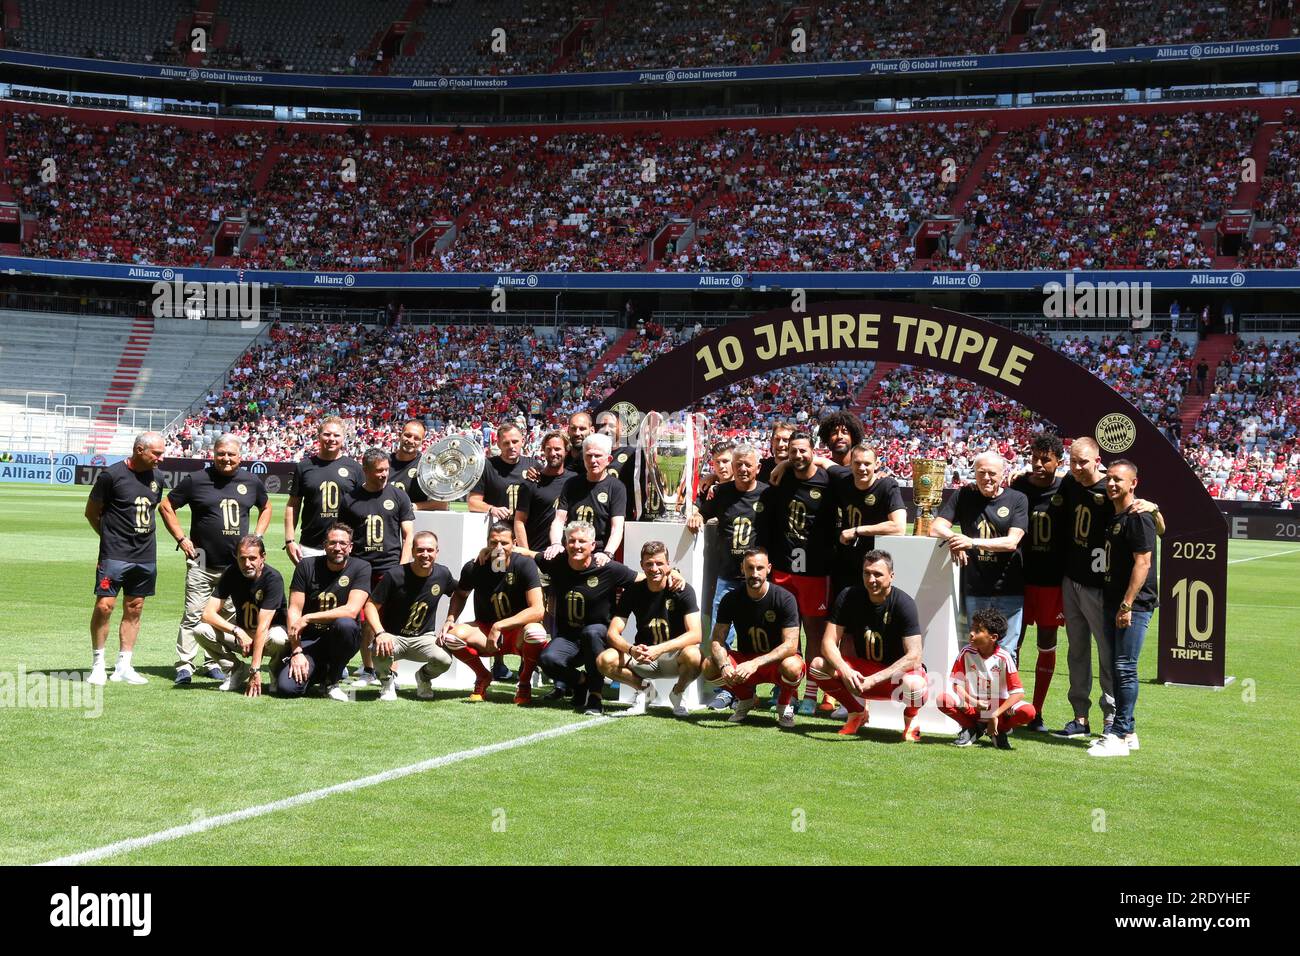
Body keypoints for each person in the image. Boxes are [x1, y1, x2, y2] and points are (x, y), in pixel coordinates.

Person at [159, 434, 270, 685]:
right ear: (213, 454)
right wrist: (181, 539)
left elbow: (266, 507)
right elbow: (166, 506)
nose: (226, 459)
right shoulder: (197, 479)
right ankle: (185, 665)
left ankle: (214, 662)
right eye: (221, 454)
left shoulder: (251, 481)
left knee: (229, 616)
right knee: (193, 613)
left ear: (240, 456)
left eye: (231, 454)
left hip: (236, 565)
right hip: (201, 559)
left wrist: (258, 536)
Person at [808, 549, 929, 742]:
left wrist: (874, 679)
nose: (871, 579)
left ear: (892, 576)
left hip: (893, 678)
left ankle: (911, 720)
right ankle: (856, 713)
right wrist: (845, 671)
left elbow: (914, 656)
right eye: (867, 573)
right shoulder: (848, 596)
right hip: (861, 674)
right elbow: (828, 643)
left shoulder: (904, 603)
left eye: (878, 574)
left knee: (915, 684)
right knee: (817, 666)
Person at [759, 430, 837, 715]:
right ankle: (788, 692)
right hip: (783, 569)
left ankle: (811, 696)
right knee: (788, 635)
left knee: (815, 634)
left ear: (813, 451)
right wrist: (783, 464)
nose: (798, 455)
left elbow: (845, 469)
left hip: (816, 571)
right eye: (793, 451)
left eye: (803, 450)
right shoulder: (782, 478)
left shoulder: (829, 480)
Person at [687, 442, 766, 711]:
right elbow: (702, 510)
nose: (743, 469)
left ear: (758, 467)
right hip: (728, 576)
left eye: (748, 464)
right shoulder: (720, 492)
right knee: (720, 636)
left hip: (759, 579)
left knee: (757, 637)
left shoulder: (768, 494)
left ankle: (762, 693)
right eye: (738, 464)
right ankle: (728, 689)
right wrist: (696, 514)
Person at [84, 431, 167, 686]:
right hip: (115, 554)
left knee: (135, 607)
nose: (161, 458)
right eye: (156, 453)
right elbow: (91, 512)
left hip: (145, 554)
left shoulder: (158, 478)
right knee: (104, 606)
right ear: (139, 450)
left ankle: (124, 665)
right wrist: (109, 538)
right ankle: (98, 664)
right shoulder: (111, 475)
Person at [1088, 460, 1158, 757]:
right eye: (1110, 478)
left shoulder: (1138, 516)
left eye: (1119, 479)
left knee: (1125, 669)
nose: (1112, 483)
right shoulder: (1117, 514)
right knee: (1117, 669)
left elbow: (1144, 563)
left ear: (1134, 483)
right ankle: (1128, 732)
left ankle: (1117, 735)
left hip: (1133, 605)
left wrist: (1127, 604)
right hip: (1113, 600)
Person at [930, 450, 1029, 657]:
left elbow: (1011, 542)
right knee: (975, 648)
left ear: (1003, 474)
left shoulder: (1017, 499)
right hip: (975, 587)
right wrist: (954, 538)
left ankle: (1004, 690)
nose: (986, 478)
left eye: (992, 473)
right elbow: (935, 527)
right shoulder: (964, 495)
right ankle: (974, 690)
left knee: (1007, 651)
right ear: (974, 473)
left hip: (1008, 587)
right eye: (981, 472)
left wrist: (971, 542)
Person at [535, 520, 640, 715]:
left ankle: (595, 695)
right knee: (547, 659)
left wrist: (673, 574)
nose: (576, 546)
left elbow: (643, 579)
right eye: (571, 541)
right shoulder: (556, 562)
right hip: (569, 638)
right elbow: (526, 555)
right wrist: (489, 551)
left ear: (593, 546)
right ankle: (581, 683)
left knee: (592, 632)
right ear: (565, 543)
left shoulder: (607, 567)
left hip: (600, 637)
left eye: (582, 541)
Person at [442, 522, 548, 704]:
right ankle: (483, 675)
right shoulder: (474, 566)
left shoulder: (524, 564)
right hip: (485, 630)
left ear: (514, 543)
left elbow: (538, 610)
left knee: (536, 632)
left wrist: (500, 625)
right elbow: (460, 594)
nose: (498, 548)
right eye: (493, 543)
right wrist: (450, 618)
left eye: (504, 543)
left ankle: (524, 681)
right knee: (451, 637)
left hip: (517, 631)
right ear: (487, 543)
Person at [597, 540, 703, 717]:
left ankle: (677, 694)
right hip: (643, 657)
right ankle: (646, 691)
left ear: (668, 565)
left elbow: (696, 634)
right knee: (604, 660)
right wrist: (631, 650)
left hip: (673, 657)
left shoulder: (682, 590)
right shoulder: (632, 591)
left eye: (659, 563)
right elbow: (612, 633)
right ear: (641, 566)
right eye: (649, 564)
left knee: (694, 655)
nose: (654, 568)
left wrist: (659, 649)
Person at [700, 547, 804, 728]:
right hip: (745, 661)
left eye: (760, 568)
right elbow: (717, 640)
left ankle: (784, 704)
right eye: (750, 568)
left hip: (776, 664)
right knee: (709, 665)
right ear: (742, 569)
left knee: (793, 665)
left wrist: (755, 663)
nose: (754, 574)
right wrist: (725, 665)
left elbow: (791, 645)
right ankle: (745, 700)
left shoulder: (784, 598)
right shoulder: (731, 598)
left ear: (769, 569)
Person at [340, 447, 415, 685]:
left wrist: (402, 568)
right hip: (361, 569)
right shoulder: (350, 498)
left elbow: (408, 535)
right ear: (366, 471)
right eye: (379, 471)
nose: (384, 474)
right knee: (365, 623)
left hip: (390, 568)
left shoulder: (399, 496)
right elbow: (344, 537)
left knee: (390, 622)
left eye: (386, 469)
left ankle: (390, 671)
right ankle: (368, 669)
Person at [1009, 433, 1066, 730]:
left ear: (1058, 461)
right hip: (1019, 578)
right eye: (1035, 457)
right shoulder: (1018, 486)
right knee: (1012, 643)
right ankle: (1013, 706)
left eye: (1046, 459)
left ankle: (1038, 711)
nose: (1039, 464)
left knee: (1047, 641)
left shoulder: (1067, 488)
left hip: (1052, 582)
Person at [363, 530, 457, 702]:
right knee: (378, 649)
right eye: (420, 550)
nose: (425, 554)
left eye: (430, 550)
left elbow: (459, 593)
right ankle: (387, 681)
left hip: (423, 638)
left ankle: (423, 678)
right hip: (393, 637)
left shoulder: (442, 574)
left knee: (444, 659)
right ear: (413, 551)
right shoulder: (395, 575)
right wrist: (379, 633)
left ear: (437, 551)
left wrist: (450, 619)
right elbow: (370, 605)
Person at [282, 523, 372, 700]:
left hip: (341, 637)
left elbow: (351, 611)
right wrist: (297, 651)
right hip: (310, 640)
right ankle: (320, 671)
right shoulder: (306, 566)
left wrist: (308, 617)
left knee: (345, 624)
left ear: (350, 547)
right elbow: (294, 609)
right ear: (324, 546)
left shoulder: (361, 567)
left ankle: (333, 680)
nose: (337, 548)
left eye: (342, 543)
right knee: (288, 689)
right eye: (332, 543)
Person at [194, 535, 289, 695]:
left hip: (268, 637)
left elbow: (263, 626)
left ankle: (275, 671)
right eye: (242, 558)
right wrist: (237, 631)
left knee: (279, 637)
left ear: (262, 557)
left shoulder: (273, 579)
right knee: (201, 630)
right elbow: (208, 614)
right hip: (242, 636)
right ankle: (236, 670)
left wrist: (255, 668)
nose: (247, 564)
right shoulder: (231, 572)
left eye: (252, 558)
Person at [940, 606, 1037, 749]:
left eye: (978, 630)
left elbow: (1018, 693)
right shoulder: (966, 652)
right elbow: (956, 685)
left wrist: (995, 714)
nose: (971, 633)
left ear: (993, 637)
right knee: (942, 700)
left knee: (1028, 711)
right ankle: (971, 728)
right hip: (973, 707)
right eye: (972, 628)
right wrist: (973, 701)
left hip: (998, 709)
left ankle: (1000, 731)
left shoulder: (1004, 658)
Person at [827, 443, 907, 615]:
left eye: (867, 464)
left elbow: (899, 527)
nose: (862, 468)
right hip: (845, 566)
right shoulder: (842, 479)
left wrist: (857, 530)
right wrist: (783, 465)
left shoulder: (887, 485)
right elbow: (819, 461)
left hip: (875, 569)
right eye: (857, 463)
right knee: (844, 624)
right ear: (850, 464)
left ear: (877, 465)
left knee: (872, 622)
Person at [284, 416, 362, 564]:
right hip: (310, 546)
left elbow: (363, 506)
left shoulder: (355, 468)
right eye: (327, 434)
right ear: (319, 436)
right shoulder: (304, 467)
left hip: (344, 546)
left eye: (336, 435)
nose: (331, 438)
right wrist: (289, 540)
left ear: (344, 438)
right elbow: (293, 505)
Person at [547, 433, 626, 559]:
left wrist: (608, 553)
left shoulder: (616, 488)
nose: (593, 460)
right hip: (572, 551)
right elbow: (559, 520)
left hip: (599, 554)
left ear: (609, 459)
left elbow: (617, 527)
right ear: (583, 458)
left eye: (598, 456)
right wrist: (556, 543)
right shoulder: (571, 484)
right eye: (589, 456)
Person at [514, 431, 574, 551]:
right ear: (543, 451)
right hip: (537, 552)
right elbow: (519, 521)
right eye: (549, 449)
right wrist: (526, 554)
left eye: (557, 449)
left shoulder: (575, 481)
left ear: (566, 451)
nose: (553, 453)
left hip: (569, 554)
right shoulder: (531, 482)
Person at [468, 422, 536, 522]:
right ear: (498, 444)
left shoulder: (534, 466)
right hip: (497, 531)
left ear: (522, 441)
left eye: (515, 441)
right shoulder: (486, 467)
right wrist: (491, 509)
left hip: (527, 531)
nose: (511, 446)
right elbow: (473, 502)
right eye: (506, 443)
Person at [386, 418, 448, 512]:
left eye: (416, 438)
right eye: (408, 435)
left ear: (422, 441)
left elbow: (442, 504)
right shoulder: (383, 463)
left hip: (417, 523)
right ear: (399, 435)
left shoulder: (429, 466)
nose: (411, 441)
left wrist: (412, 507)